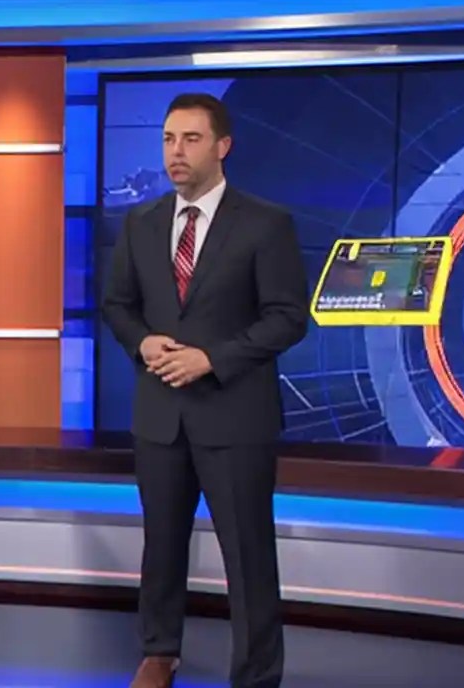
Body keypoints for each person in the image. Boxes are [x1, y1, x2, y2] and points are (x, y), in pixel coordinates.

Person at [101, 93, 309, 688]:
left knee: (248, 558)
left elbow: (287, 317)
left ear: (223, 147)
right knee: (160, 546)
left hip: (235, 418)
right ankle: (159, 653)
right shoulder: (141, 224)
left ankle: (255, 674)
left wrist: (210, 359)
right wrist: (141, 344)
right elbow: (119, 305)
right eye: (168, 139)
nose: (176, 152)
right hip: (160, 418)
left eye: (190, 140)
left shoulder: (266, 223)